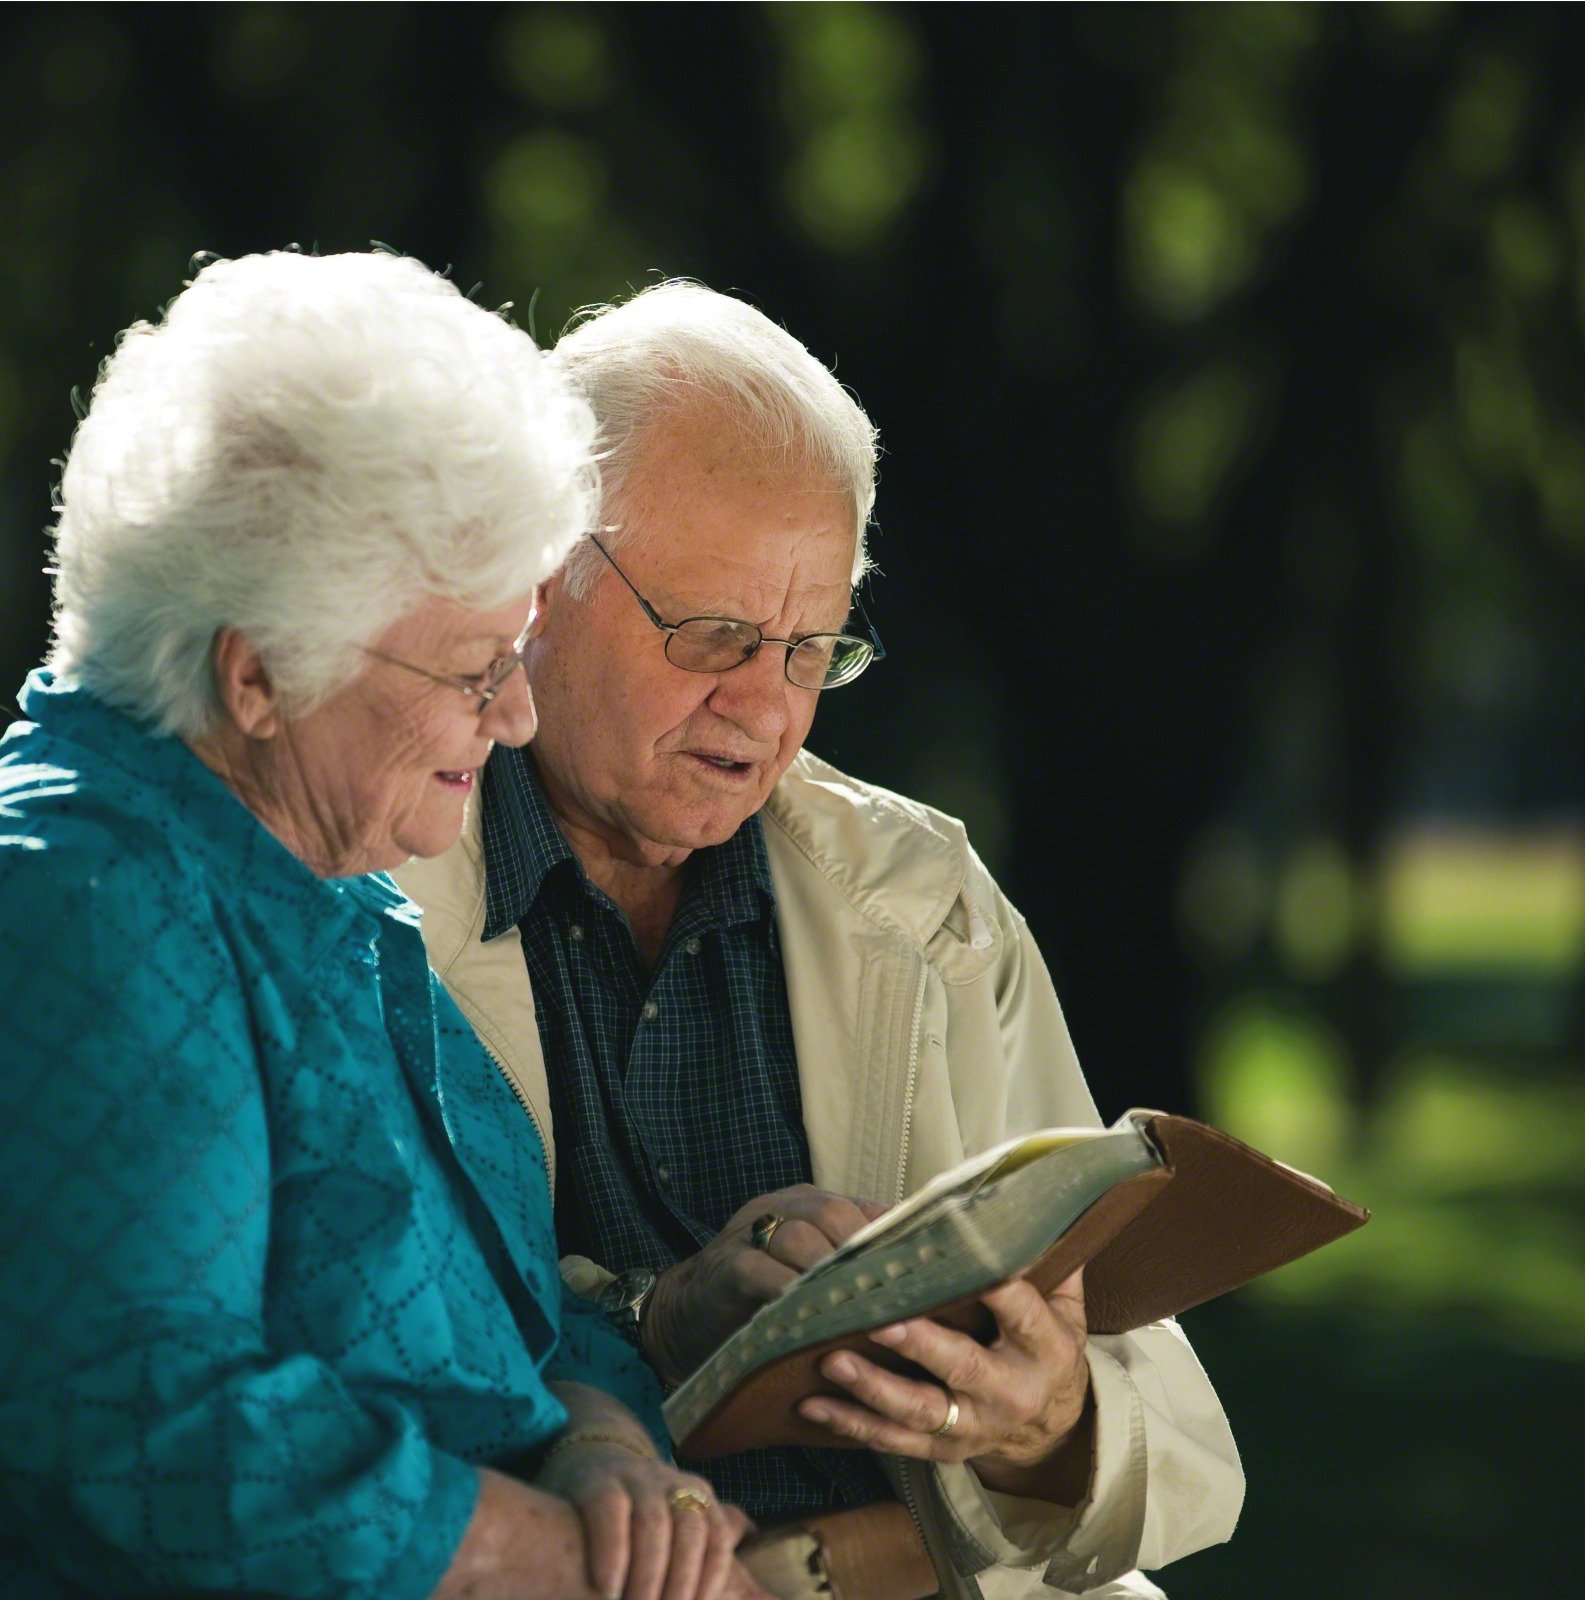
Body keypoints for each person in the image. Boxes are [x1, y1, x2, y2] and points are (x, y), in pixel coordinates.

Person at [0, 251, 768, 1600]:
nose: (515, 719)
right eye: (472, 669)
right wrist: (558, 1566)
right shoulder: (60, 911)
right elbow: (148, 1438)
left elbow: (498, 1312)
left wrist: (600, 1456)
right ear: (256, 672)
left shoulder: (299, 889)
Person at [392, 283, 1246, 1598]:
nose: (765, 709)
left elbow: (1176, 1450)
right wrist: (663, 1328)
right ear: (532, 577)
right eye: (714, 636)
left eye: (811, 649)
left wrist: (1047, 1426)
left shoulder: (920, 897)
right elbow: (335, 1388)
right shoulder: (364, 881)